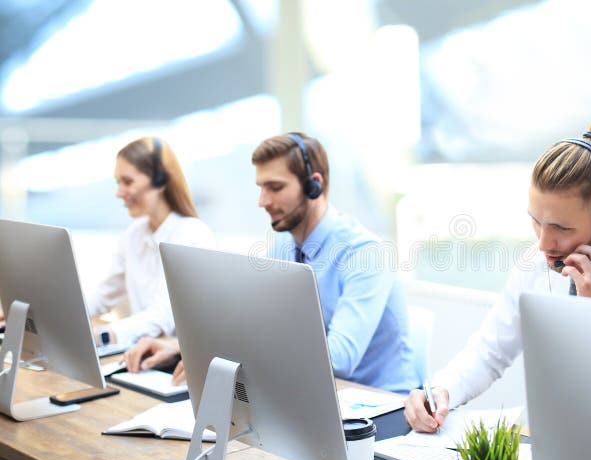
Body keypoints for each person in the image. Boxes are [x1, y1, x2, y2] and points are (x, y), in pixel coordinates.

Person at [404, 118, 591, 432]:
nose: (544, 244)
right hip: (549, 443)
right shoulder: (535, 264)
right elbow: (489, 352)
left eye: (561, 228)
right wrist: (442, 390)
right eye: (536, 221)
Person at [125, 132, 418, 394]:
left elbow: (339, 359)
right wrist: (186, 349)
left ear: (314, 185)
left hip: (379, 405)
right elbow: (254, 324)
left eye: (275, 187)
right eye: (261, 187)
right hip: (315, 393)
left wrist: (238, 353)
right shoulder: (283, 244)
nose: (262, 201)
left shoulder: (365, 254)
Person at [88, 137, 215, 347]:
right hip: (141, 352)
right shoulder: (133, 234)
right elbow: (104, 294)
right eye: (118, 183)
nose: (119, 193)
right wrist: (61, 315)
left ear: (160, 179)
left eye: (127, 182)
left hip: (176, 357)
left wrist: (103, 335)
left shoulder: (192, 234)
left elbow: (162, 315)